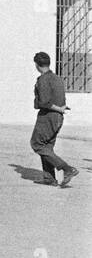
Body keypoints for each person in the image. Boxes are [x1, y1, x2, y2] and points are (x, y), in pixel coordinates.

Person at [31, 51, 77, 187]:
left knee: (37, 144)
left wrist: (58, 109)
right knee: (47, 147)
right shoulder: (57, 78)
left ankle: (67, 169)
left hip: (48, 116)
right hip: (58, 118)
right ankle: (49, 178)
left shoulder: (43, 79)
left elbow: (44, 102)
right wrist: (61, 109)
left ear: (37, 65)